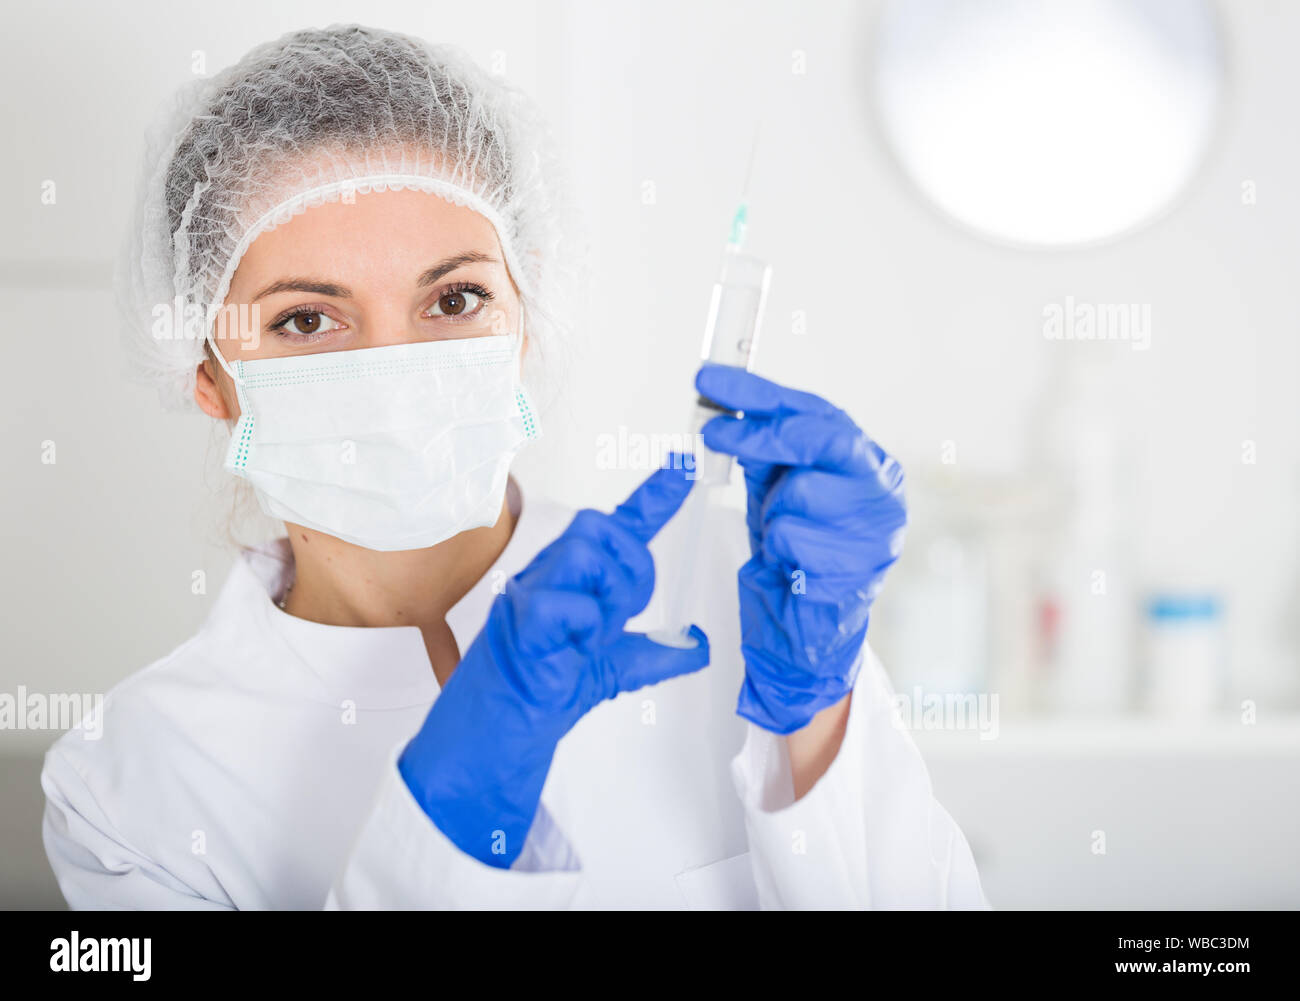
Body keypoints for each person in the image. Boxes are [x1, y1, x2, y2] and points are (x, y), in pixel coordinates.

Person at [40, 24, 988, 909]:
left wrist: (814, 727)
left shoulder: (732, 600)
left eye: (453, 298)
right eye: (305, 318)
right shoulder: (133, 784)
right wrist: (449, 806)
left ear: (526, 314)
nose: (396, 373)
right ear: (207, 373)